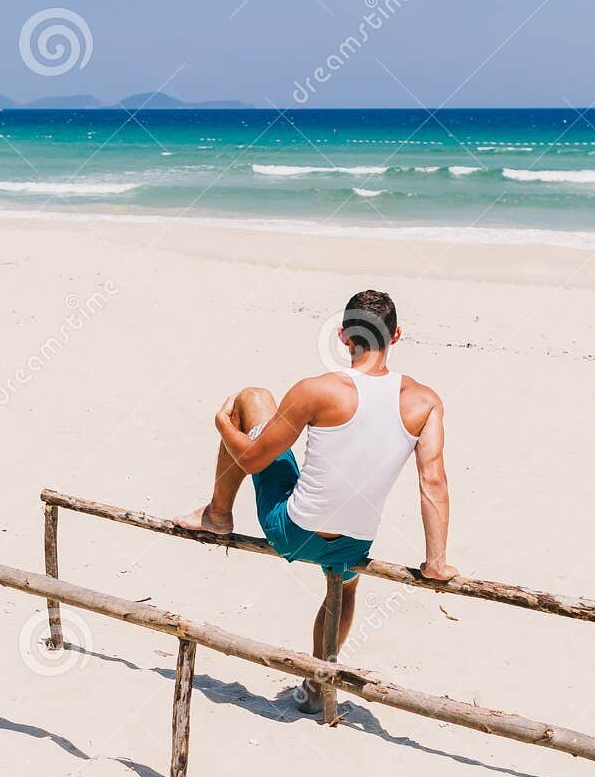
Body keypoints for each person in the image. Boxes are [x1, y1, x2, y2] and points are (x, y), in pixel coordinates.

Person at [180, 289, 458, 711]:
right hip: (353, 547)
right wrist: (435, 561)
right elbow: (432, 480)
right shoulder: (426, 401)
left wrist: (223, 424)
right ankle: (315, 682)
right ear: (396, 335)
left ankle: (217, 515)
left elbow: (253, 460)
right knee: (345, 587)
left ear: (344, 336)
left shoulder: (317, 390)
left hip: (292, 531)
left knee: (253, 398)